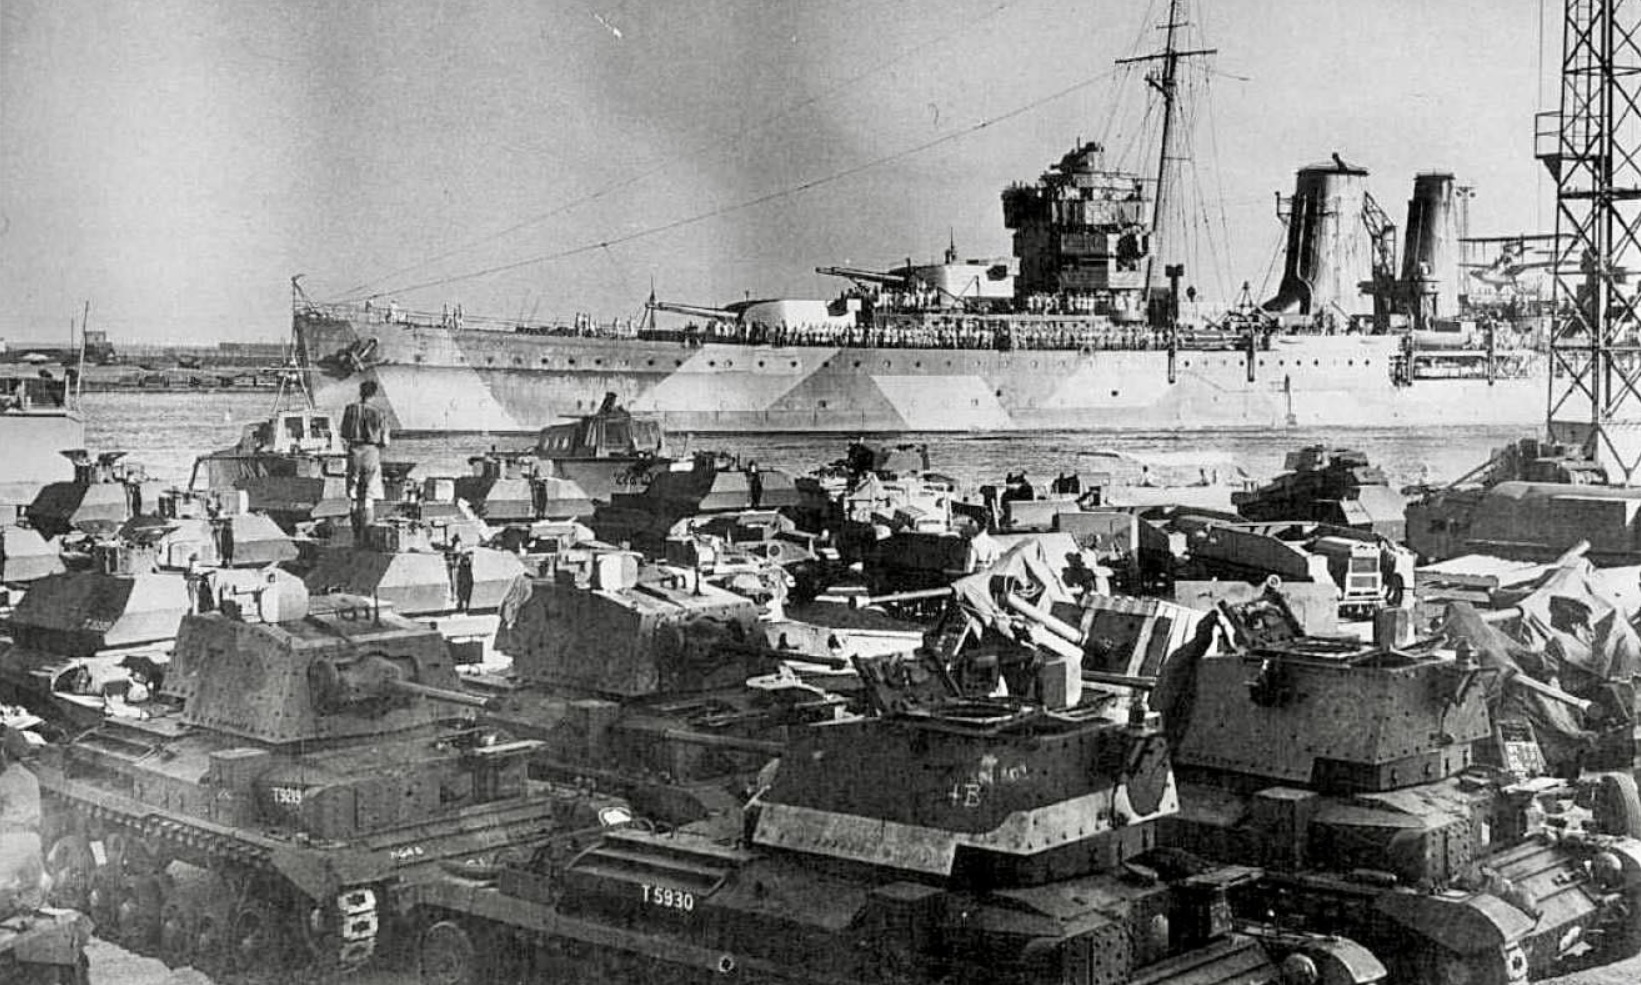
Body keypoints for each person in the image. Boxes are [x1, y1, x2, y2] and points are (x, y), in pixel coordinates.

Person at [340, 380, 391, 538]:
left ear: (360, 392)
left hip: (354, 453)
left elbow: (344, 433)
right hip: (371, 453)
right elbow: (385, 441)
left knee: (354, 496)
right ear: (374, 394)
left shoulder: (350, 410)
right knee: (368, 497)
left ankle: (356, 534)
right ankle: (367, 534)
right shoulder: (379, 413)